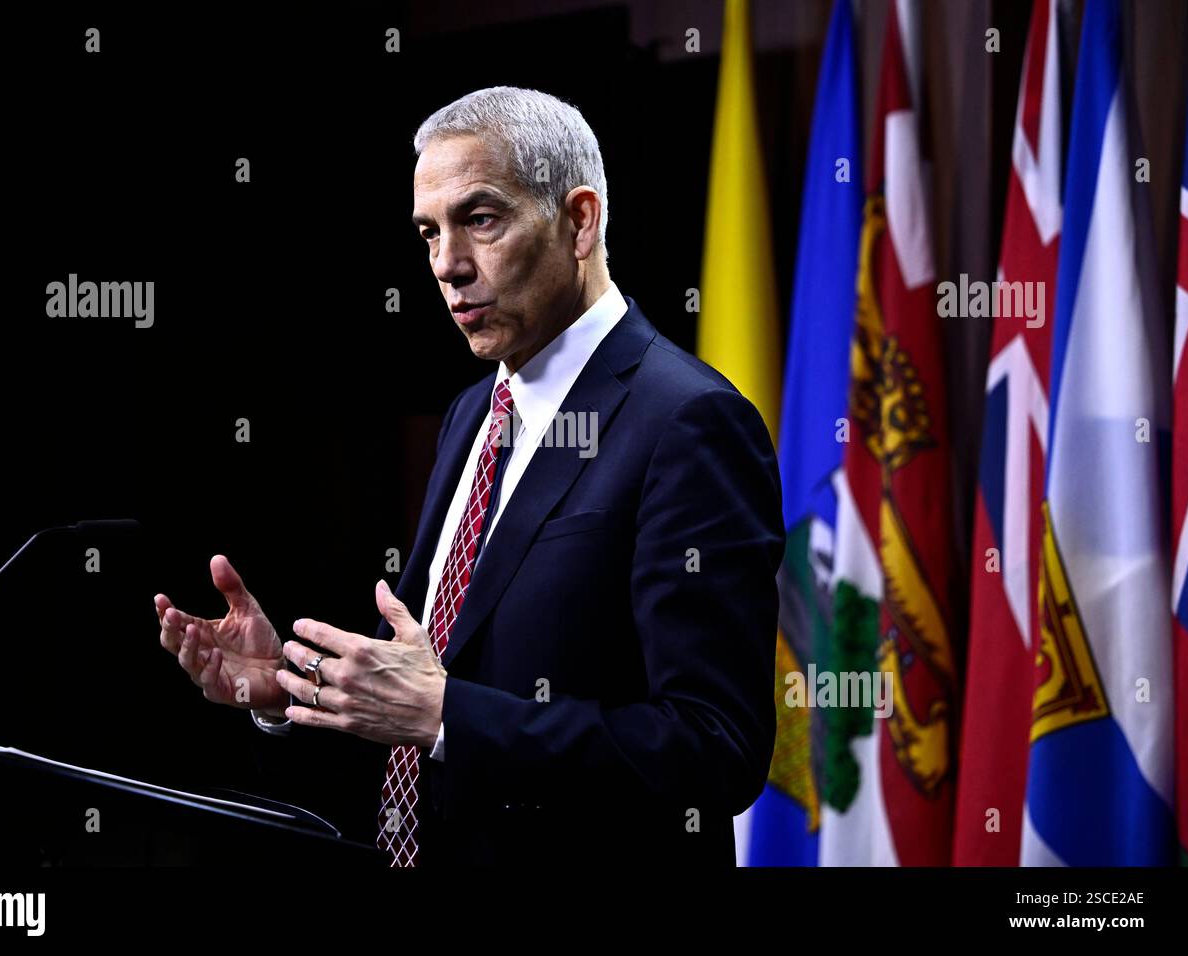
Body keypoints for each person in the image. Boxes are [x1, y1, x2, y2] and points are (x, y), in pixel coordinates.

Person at [155, 86, 784, 867]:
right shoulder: (471, 414)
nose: (447, 265)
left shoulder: (687, 422)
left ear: (580, 221)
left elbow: (714, 748)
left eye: (480, 220)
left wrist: (449, 713)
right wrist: (294, 696)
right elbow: (416, 709)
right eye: (428, 232)